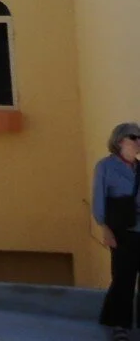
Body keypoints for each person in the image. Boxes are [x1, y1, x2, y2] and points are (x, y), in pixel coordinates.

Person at [95, 122, 140, 340]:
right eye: (134, 137)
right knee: (123, 278)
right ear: (120, 140)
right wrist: (104, 228)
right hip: (121, 230)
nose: (138, 141)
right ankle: (119, 325)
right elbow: (98, 199)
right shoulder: (106, 167)